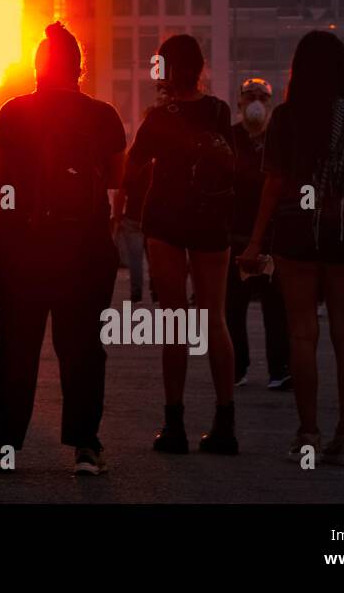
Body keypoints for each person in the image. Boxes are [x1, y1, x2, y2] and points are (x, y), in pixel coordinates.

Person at [0, 22, 125, 475]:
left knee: (16, 347)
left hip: (20, 248)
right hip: (84, 249)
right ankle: (86, 447)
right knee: (82, 347)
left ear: (39, 67)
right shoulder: (103, 115)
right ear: (78, 68)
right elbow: (120, 179)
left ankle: (5, 448)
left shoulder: (13, 111)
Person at [240, 30, 344, 466]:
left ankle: (309, 435)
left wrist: (255, 242)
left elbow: (274, 185)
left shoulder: (287, 117)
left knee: (302, 334)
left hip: (297, 228)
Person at [124, 34, 237, 455]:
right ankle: (225, 424)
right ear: (201, 67)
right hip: (211, 220)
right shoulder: (219, 111)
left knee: (175, 322)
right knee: (215, 320)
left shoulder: (157, 117)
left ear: (165, 70)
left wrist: (121, 207)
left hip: (167, 220)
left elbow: (132, 166)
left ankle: (174, 425)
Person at [224, 77, 290, 392]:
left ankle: (280, 368)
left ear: (270, 103)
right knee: (232, 309)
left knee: (276, 308)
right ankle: (237, 367)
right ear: (239, 102)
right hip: (235, 236)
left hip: (274, 241)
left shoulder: (279, 140)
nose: (255, 102)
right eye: (250, 95)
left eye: (262, 96)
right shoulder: (231, 137)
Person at [112, 109, 152, 304]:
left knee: (135, 259)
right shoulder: (159, 162)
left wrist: (117, 219)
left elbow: (122, 189)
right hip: (154, 216)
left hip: (133, 217)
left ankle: (137, 292)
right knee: (155, 258)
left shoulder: (132, 160)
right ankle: (156, 290)